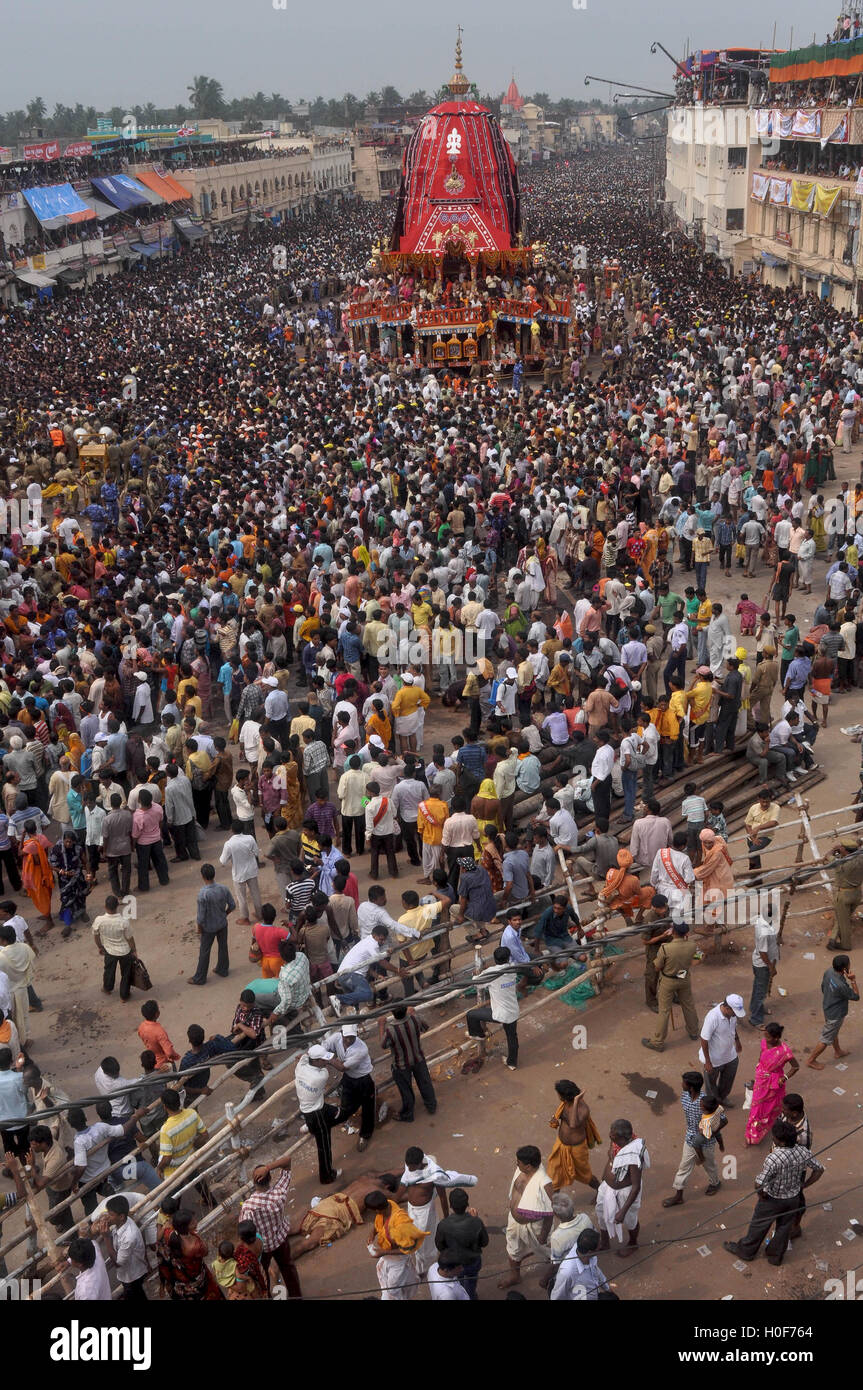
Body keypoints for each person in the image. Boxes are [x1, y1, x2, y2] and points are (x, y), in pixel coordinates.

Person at [723, 1120, 823, 1267]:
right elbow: (819, 1169)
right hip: (793, 1198)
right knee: (784, 1228)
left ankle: (746, 1251)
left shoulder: (774, 1158)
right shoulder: (803, 1151)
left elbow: (759, 1183)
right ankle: (775, 1256)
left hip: (772, 1199)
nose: (772, 1138)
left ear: (781, 1142)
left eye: (774, 1137)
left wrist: (761, 1193)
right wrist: (804, 1185)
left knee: (759, 1225)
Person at [239, 1150, 302, 1298]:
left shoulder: (249, 1206)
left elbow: (244, 1229)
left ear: (254, 1182)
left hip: (263, 1247)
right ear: (270, 1178)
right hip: (280, 1239)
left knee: (263, 1274)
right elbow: (287, 1161)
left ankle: (267, 1295)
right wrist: (268, 1167)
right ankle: (296, 1295)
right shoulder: (279, 1193)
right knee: (288, 1267)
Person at [662, 1071, 724, 1206]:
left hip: (706, 1143)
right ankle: (678, 1196)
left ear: (690, 1087)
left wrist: (711, 1133)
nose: (681, 1084)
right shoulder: (685, 1096)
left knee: (709, 1166)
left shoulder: (706, 1102)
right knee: (683, 1167)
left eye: (683, 1083)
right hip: (690, 1138)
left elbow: (723, 1119)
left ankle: (715, 1183)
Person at [500, 1144, 554, 1289]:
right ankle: (515, 1276)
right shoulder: (521, 1170)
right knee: (513, 1249)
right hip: (515, 1222)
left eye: (519, 1162)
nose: (516, 1164)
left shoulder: (545, 1184)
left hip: (536, 1226)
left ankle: (555, 1274)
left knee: (551, 1253)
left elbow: (549, 1213)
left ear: (529, 1166)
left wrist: (543, 1235)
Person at [641, 920, 700, 1052]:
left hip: (668, 981)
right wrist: (685, 967)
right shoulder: (692, 945)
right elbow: (699, 958)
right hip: (684, 977)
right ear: (687, 933)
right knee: (688, 1005)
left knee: (664, 1011)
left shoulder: (665, 948)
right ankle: (694, 1031)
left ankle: (658, 1041)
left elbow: (657, 967)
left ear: (673, 933)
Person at [595, 1118, 649, 1257]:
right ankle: (605, 1241)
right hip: (607, 1187)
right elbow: (611, 1156)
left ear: (622, 1137)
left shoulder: (634, 1154)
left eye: (613, 1134)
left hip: (626, 1193)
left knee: (630, 1220)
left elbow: (635, 1187)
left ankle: (633, 1243)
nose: (610, 1135)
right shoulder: (616, 1141)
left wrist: (623, 1211)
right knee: (601, 1213)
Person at [466, 945, 524, 1071]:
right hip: (513, 1010)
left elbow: (478, 984)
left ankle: (478, 1034)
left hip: (500, 1013)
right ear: (508, 958)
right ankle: (512, 1063)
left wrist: (475, 974)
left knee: (471, 1015)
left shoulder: (492, 973)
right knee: (512, 1036)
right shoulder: (512, 968)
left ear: (495, 959)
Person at [294, 1043, 343, 1186]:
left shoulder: (300, 1067)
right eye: (323, 1060)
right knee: (324, 1146)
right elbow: (304, 1056)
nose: (326, 1061)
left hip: (307, 1108)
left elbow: (303, 1057)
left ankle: (309, 1126)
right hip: (316, 1113)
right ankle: (327, 1176)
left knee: (338, 1112)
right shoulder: (322, 1076)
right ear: (315, 1061)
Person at [379, 1003, 437, 1123]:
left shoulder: (391, 1030)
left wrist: (381, 1025)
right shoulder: (415, 1019)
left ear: (392, 1013)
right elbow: (426, 1026)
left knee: (406, 1090)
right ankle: (431, 1106)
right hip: (418, 1059)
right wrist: (413, 1014)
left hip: (401, 1065)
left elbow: (383, 1045)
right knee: (425, 1083)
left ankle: (407, 1115)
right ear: (406, 1009)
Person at [745, 1023, 799, 1145]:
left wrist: (784, 1078)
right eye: (765, 1036)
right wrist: (759, 1064)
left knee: (768, 1107)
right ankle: (753, 1133)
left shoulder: (785, 1052)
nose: (766, 1039)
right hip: (761, 1080)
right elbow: (762, 1052)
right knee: (756, 1107)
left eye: (768, 1037)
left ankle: (761, 1129)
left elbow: (796, 1067)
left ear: (776, 1038)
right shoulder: (765, 1042)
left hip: (774, 1083)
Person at [434, 1186, 489, 1300]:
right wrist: (475, 1220)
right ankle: (471, 1296)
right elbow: (484, 1242)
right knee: (471, 1284)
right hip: (472, 1262)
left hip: (454, 1264)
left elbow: (439, 1246)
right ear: (467, 1205)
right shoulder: (476, 1222)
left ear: (451, 1206)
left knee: (456, 1283)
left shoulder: (443, 1225)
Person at [156, 1209, 223, 1300]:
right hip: (196, 1279)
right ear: (185, 1227)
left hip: (181, 1279)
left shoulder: (169, 1233)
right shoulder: (194, 1246)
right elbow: (206, 1251)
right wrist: (197, 1235)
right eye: (192, 1223)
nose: (196, 1222)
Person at [547, 1079, 601, 1191]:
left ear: (566, 1097)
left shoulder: (583, 1109)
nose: (558, 1097)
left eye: (559, 1095)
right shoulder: (565, 1104)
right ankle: (554, 1200)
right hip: (561, 1145)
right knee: (555, 1174)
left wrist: (576, 1101)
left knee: (586, 1175)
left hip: (577, 1149)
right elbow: (563, 1118)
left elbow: (573, 1124)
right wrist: (555, 1120)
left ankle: (600, 1190)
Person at [806, 954, 859, 1069]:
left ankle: (838, 1051)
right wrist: (853, 980)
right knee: (826, 1039)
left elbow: (823, 987)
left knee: (834, 1031)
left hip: (828, 1006)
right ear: (844, 968)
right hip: (836, 1014)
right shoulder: (841, 985)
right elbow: (856, 996)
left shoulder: (829, 972)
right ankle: (811, 1060)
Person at [92, 1195, 149, 1300]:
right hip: (130, 1273)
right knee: (138, 1294)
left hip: (131, 1276)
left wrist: (106, 1238)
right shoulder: (122, 1222)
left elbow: (118, 1263)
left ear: (121, 1216)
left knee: (134, 1293)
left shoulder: (129, 1236)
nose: (107, 1217)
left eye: (111, 1214)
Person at [190, 863, 235, 986]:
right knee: (223, 947)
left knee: (204, 951)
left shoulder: (203, 894)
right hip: (222, 924)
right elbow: (232, 905)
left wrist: (199, 929)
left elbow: (200, 917)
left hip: (208, 928)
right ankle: (222, 969)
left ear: (202, 876)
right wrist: (224, 914)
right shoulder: (223, 889)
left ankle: (200, 978)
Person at [699, 995, 745, 1104]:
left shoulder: (732, 1015)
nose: (735, 1015)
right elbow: (704, 1039)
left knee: (728, 1081)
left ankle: (722, 1098)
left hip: (730, 1055)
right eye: (734, 1012)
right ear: (727, 1008)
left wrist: (737, 1041)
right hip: (714, 1059)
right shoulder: (712, 1017)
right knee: (711, 1085)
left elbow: (733, 1027)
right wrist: (708, 1062)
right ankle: (714, 1104)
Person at [550, 1227, 617, 1300]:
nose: (601, 1246)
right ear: (590, 1252)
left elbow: (596, 1271)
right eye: (599, 1245)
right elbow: (556, 1297)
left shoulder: (587, 1252)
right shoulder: (567, 1272)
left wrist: (607, 1288)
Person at [92, 893, 137, 1000]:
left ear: (105, 907)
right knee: (126, 974)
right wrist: (134, 950)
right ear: (117, 906)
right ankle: (124, 996)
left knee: (109, 971)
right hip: (125, 952)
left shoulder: (99, 920)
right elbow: (130, 938)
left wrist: (100, 947)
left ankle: (107, 988)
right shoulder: (123, 922)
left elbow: (96, 936)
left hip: (109, 951)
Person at [219, 820, 262, 926]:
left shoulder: (229, 844)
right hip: (251, 870)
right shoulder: (250, 838)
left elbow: (223, 861)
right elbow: (256, 852)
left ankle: (245, 918)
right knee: (255, 894)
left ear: (231, 830)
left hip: (239, 874)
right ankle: (260, 914)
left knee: (241, 897)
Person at [826, 836, 863, 951]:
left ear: (846, 850)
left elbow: (827, 856)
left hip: (844, 895)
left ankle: (845, 945)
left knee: (844, 921)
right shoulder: (861, 858)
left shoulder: (840, 863)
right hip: (857, 893)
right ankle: (832, 939)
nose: (840, 847)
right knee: (842, 917)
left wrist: (833, 849)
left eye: (842, 847)